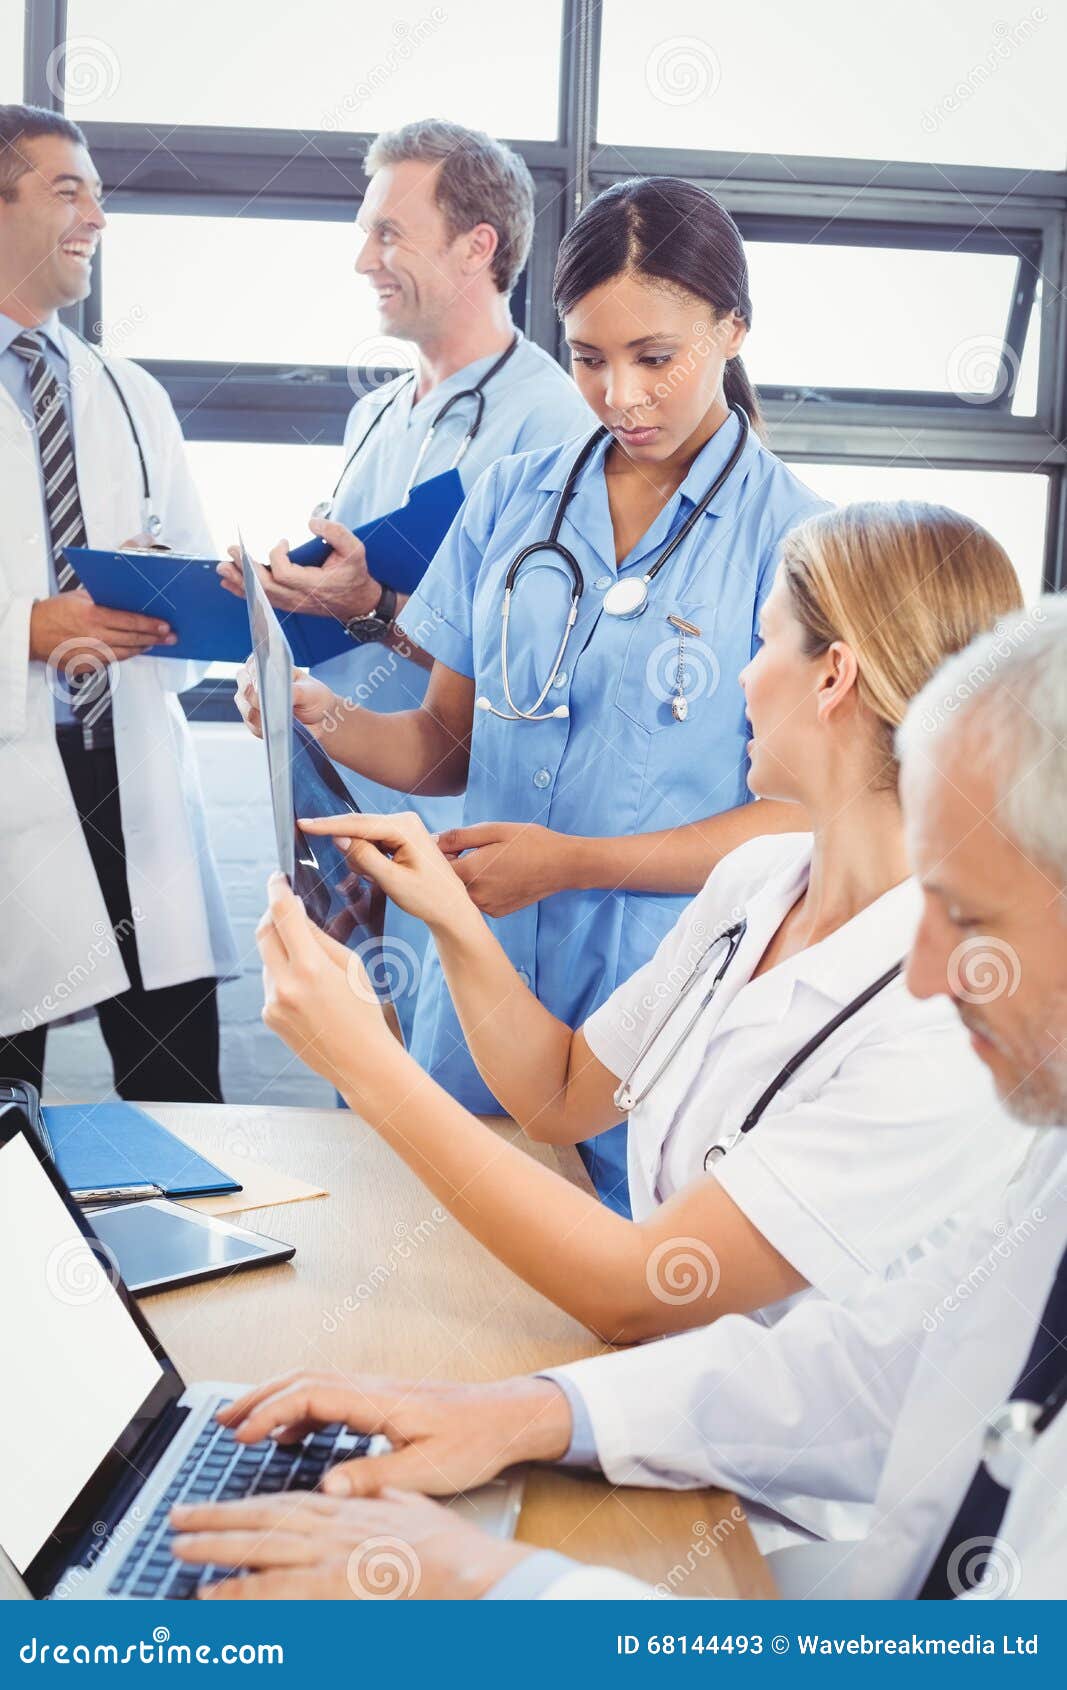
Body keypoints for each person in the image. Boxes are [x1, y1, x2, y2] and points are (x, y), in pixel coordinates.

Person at [171, 598, 1067, 1601]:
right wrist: (526, 1411)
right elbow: (870, 1376)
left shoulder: (949, 1057)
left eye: (969, 916)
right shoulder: (771, 890)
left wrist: (494, 1585)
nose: (925, 973)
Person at [244, 502, 1025, 1367]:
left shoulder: (946, 1018)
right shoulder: (756, 882)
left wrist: (364, 1061)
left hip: (781, 1486)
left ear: (832, 676)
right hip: (667, 1400)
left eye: (762, 644)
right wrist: (449, 914)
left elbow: (636, 1293)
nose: (739, 676)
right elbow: (560, 1091)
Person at [237, 176, 828, 1206]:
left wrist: (574, 864)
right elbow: (442, 747)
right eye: (589, 358)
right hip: (481, 980)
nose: (619, 396)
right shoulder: (513, 498)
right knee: (446, 1284)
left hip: (662, 1004)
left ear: (732, 329)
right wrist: (318, 716)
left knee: (626, 1306)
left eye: (655, 358)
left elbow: (797, 820)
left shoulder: (801, 541)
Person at [218, 119, 593, 1046]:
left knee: (444, 1086)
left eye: (388, 232)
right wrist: (287, 601)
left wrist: (374, 607)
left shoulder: (551, 420)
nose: (363, 260)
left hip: (452, 817)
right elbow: (359, 598)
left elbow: (535, 666)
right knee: (360, 1068)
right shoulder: (376, 412)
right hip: (350, 793)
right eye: (363, 231)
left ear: (477, 247)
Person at [0, 105, 237, 1101]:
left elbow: (193, 583)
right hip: (13, 774)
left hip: (129, 773)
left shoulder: (131, 395)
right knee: (7, 1112)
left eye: (98, 194)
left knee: (185, 1097)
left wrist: (194, 594)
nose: (97, 216)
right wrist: (27, 627)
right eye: (68, 190)